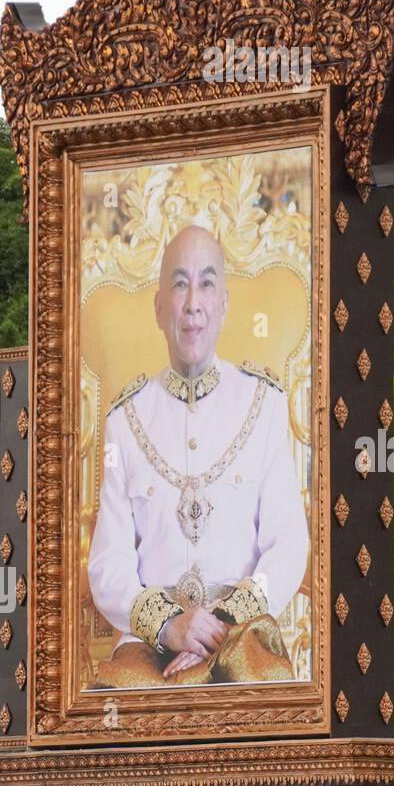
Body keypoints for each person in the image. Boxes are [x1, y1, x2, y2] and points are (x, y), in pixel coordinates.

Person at [87, 224, 310, 687]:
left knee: (268, 699)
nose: (193, 304)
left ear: (224, 304)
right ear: (159, 307)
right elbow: (108, 564)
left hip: (242, 636)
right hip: (149, 648)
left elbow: (288, 544)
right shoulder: (123, 420)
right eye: (180, 283)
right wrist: (171, 625)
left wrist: (220, 624)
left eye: (207, 283)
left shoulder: (264, 404)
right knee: (108, 714)